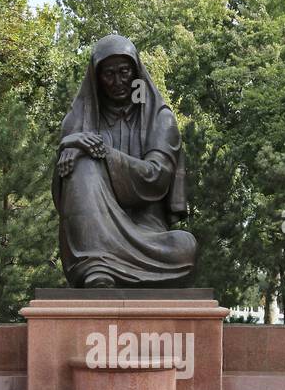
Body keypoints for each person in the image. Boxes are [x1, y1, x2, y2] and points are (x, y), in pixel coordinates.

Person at [52, 34, 197, 288]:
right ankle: (97, 267)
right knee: (81, 164)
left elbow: (156, 177)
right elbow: (66, 195)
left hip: (147, 233)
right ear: (96, 77)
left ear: (136, 73)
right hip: (93, 234)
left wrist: (101, 151)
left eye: (124, 72)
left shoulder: (160, 119)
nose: (118, 82)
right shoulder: (78, 122)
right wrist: (71, 146)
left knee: (185, 247)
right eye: (109, 74)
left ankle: (105, 265)